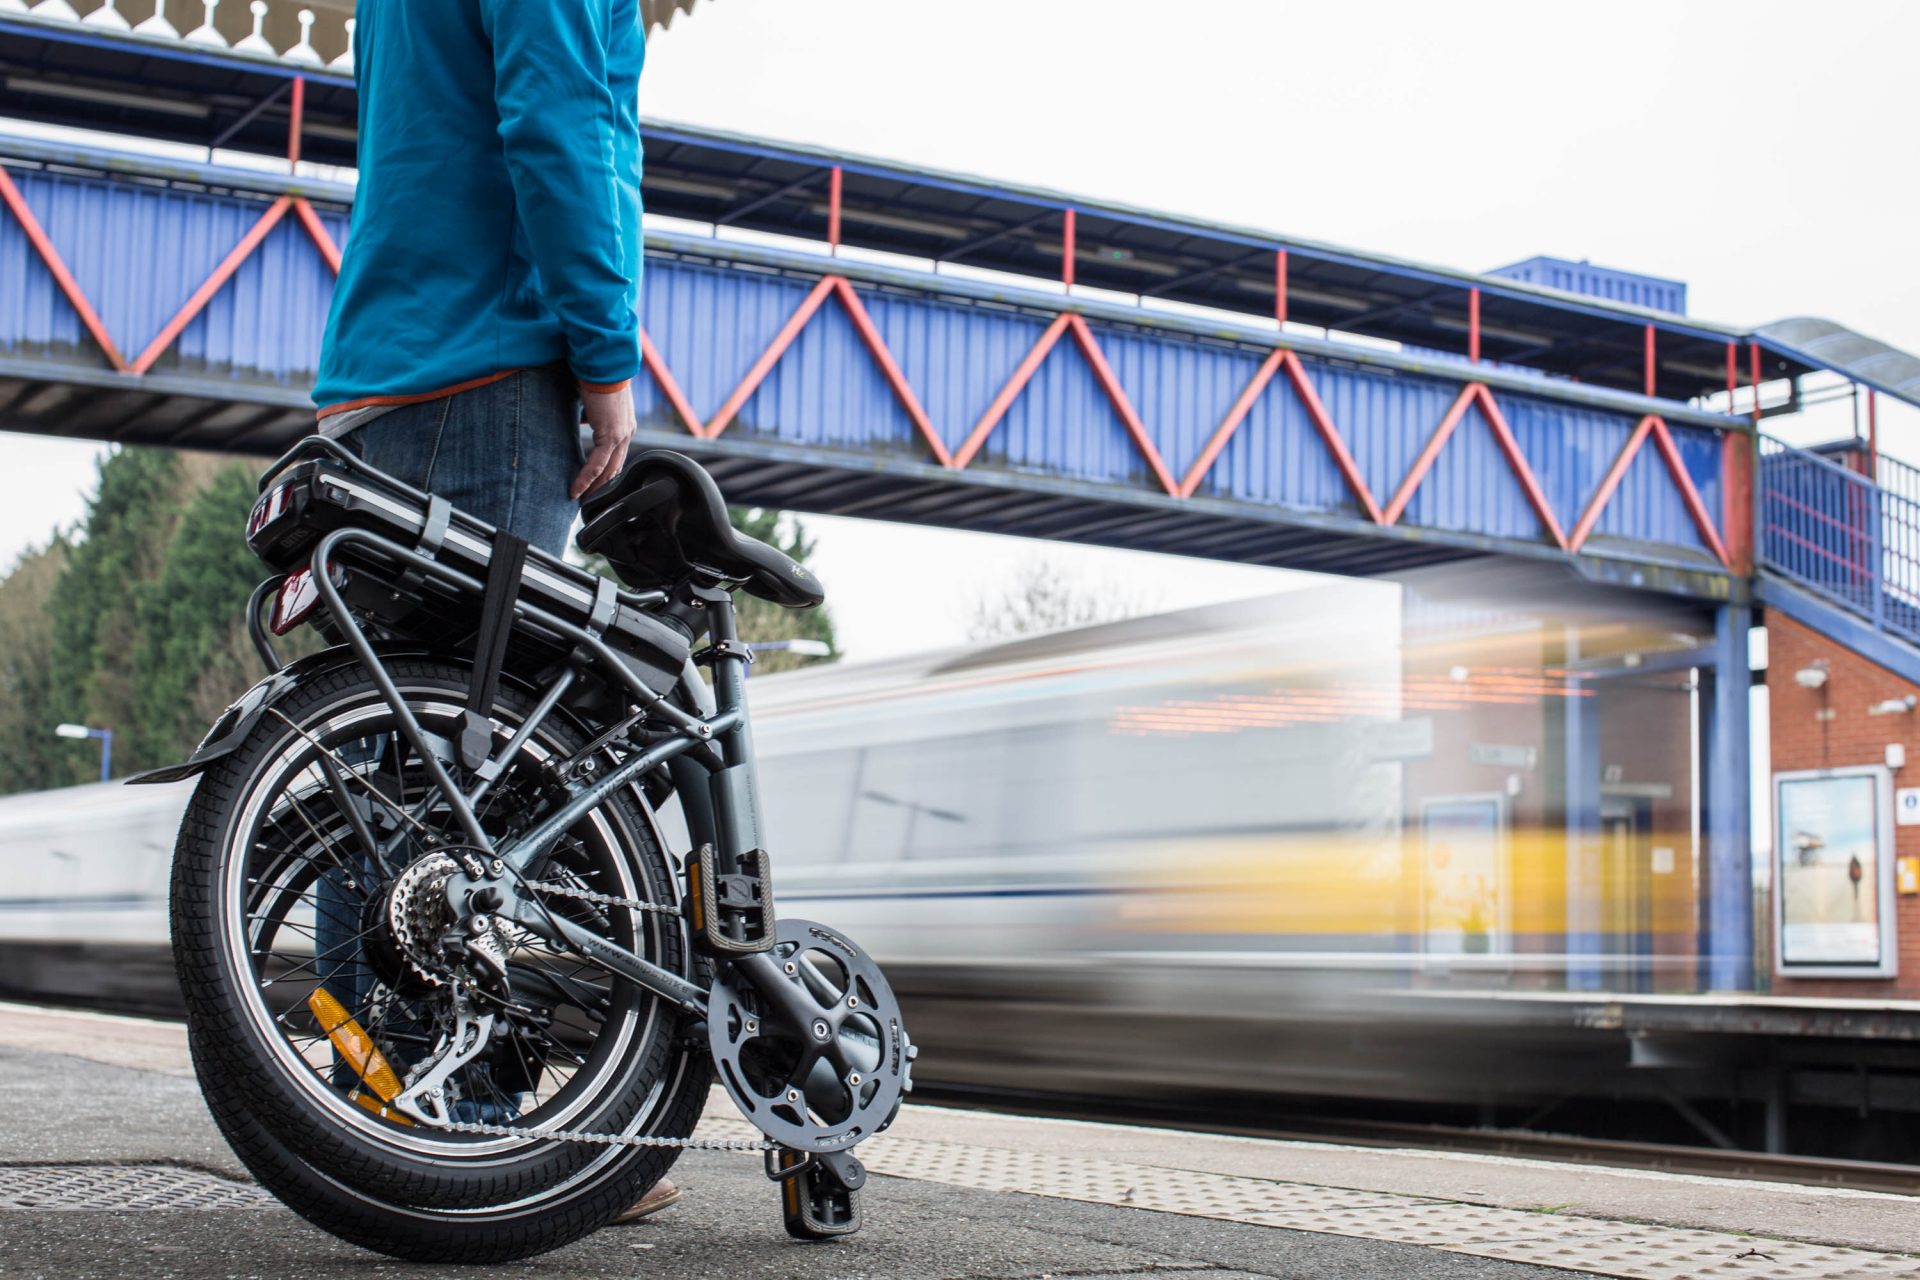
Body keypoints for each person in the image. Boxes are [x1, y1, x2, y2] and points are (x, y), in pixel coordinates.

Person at [309, 0, 675, 1224]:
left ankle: (372, 1122)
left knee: (385, 774)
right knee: (474, 783)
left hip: (378, 372)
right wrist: (607, 358)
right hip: (485, 369)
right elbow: (561, 124)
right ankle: (466, 1130)